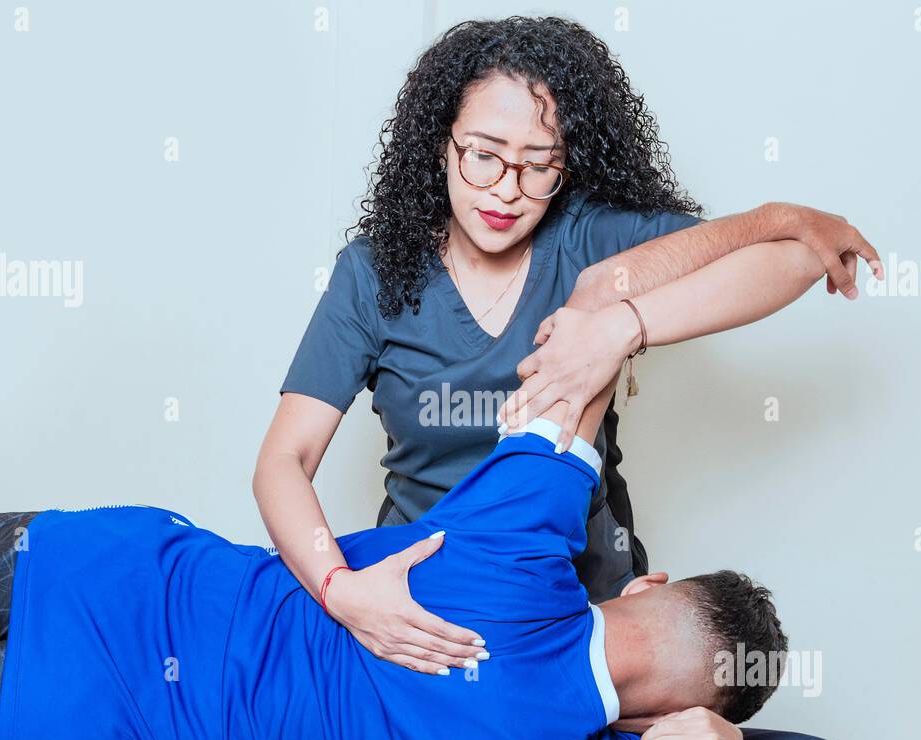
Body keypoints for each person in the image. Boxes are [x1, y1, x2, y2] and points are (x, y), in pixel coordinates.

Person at [0, 239, 821, 740]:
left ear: (644, 584)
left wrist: (784, 232)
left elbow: (609, 288)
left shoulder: (523, 535)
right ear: (668, 722)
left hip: (98, 571)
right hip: (65, 715)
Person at [257, 15, 882, 681]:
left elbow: (791, 261)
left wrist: (623, 323)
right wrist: (340, 589)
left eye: (539, 165)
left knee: (696, 722)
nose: (507, 188)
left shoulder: (588, 243)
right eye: (484, 154)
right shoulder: (370, 275)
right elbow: (282, 461)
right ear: (441, 144)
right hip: (429, 608)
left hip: (585, 613)